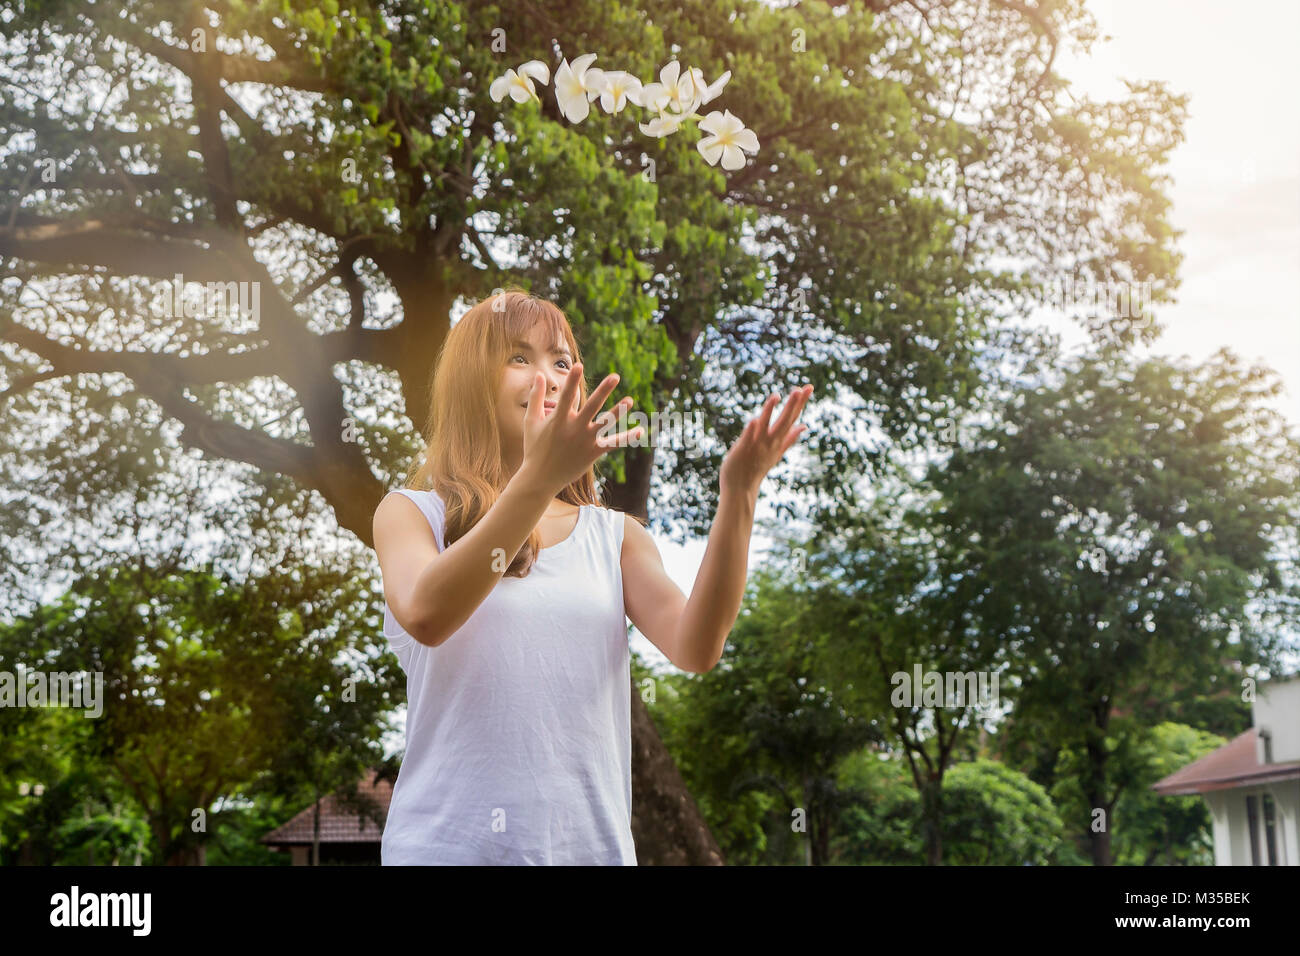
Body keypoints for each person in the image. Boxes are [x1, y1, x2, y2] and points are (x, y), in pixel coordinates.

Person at [373, 287, 812, 864]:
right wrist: (536, 479)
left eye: (560, 361)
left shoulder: (615, 537)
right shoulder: (411, 513)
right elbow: (429, 614)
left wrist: (740, 494)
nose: (548, 378)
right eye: (518, 357)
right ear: (469, 383)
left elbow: (698, 646)